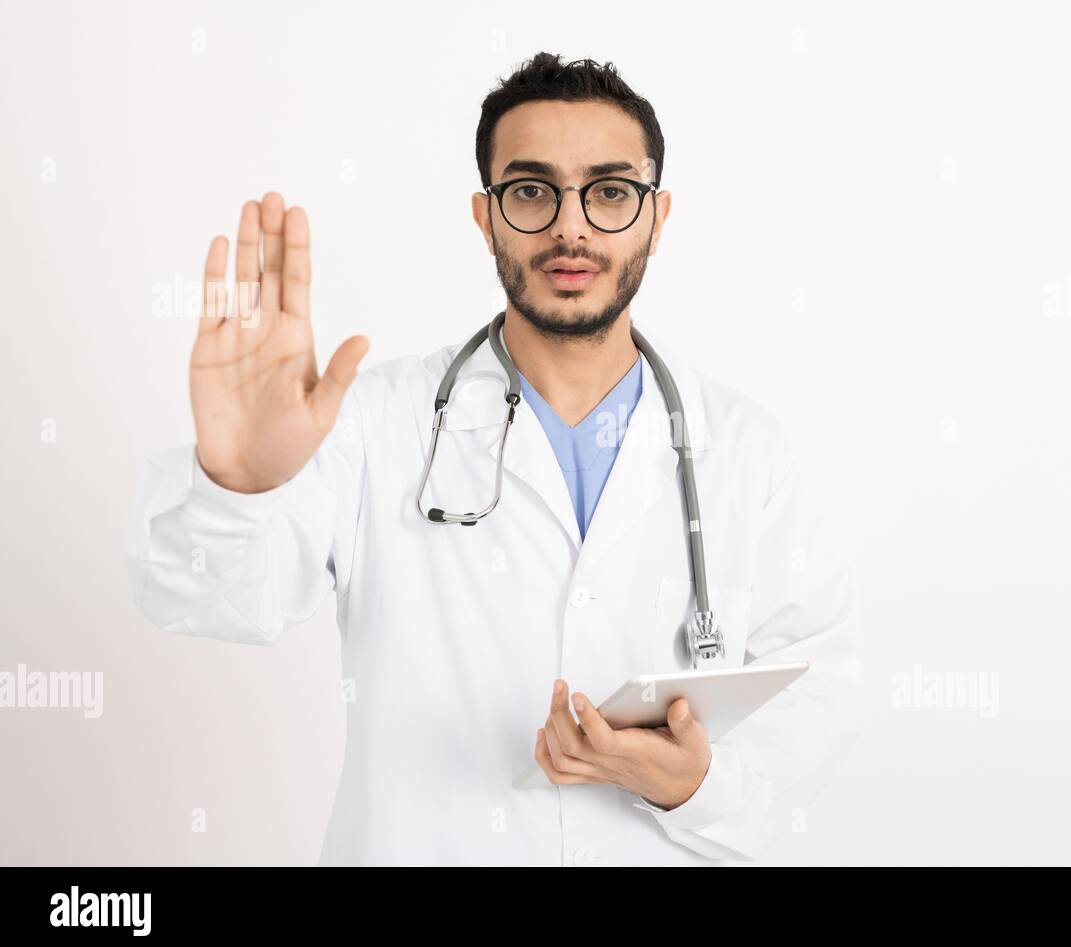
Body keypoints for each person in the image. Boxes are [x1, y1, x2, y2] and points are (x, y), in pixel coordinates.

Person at [127, 51, 865, 865]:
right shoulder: (371, 422)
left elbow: (815, 691)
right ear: (486, 217)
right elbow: (216, 602)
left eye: (611, 191)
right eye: (531, 191)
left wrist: (696, 787)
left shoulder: (746, 453)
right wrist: (241, 483)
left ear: (657, 217)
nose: (571, 227)